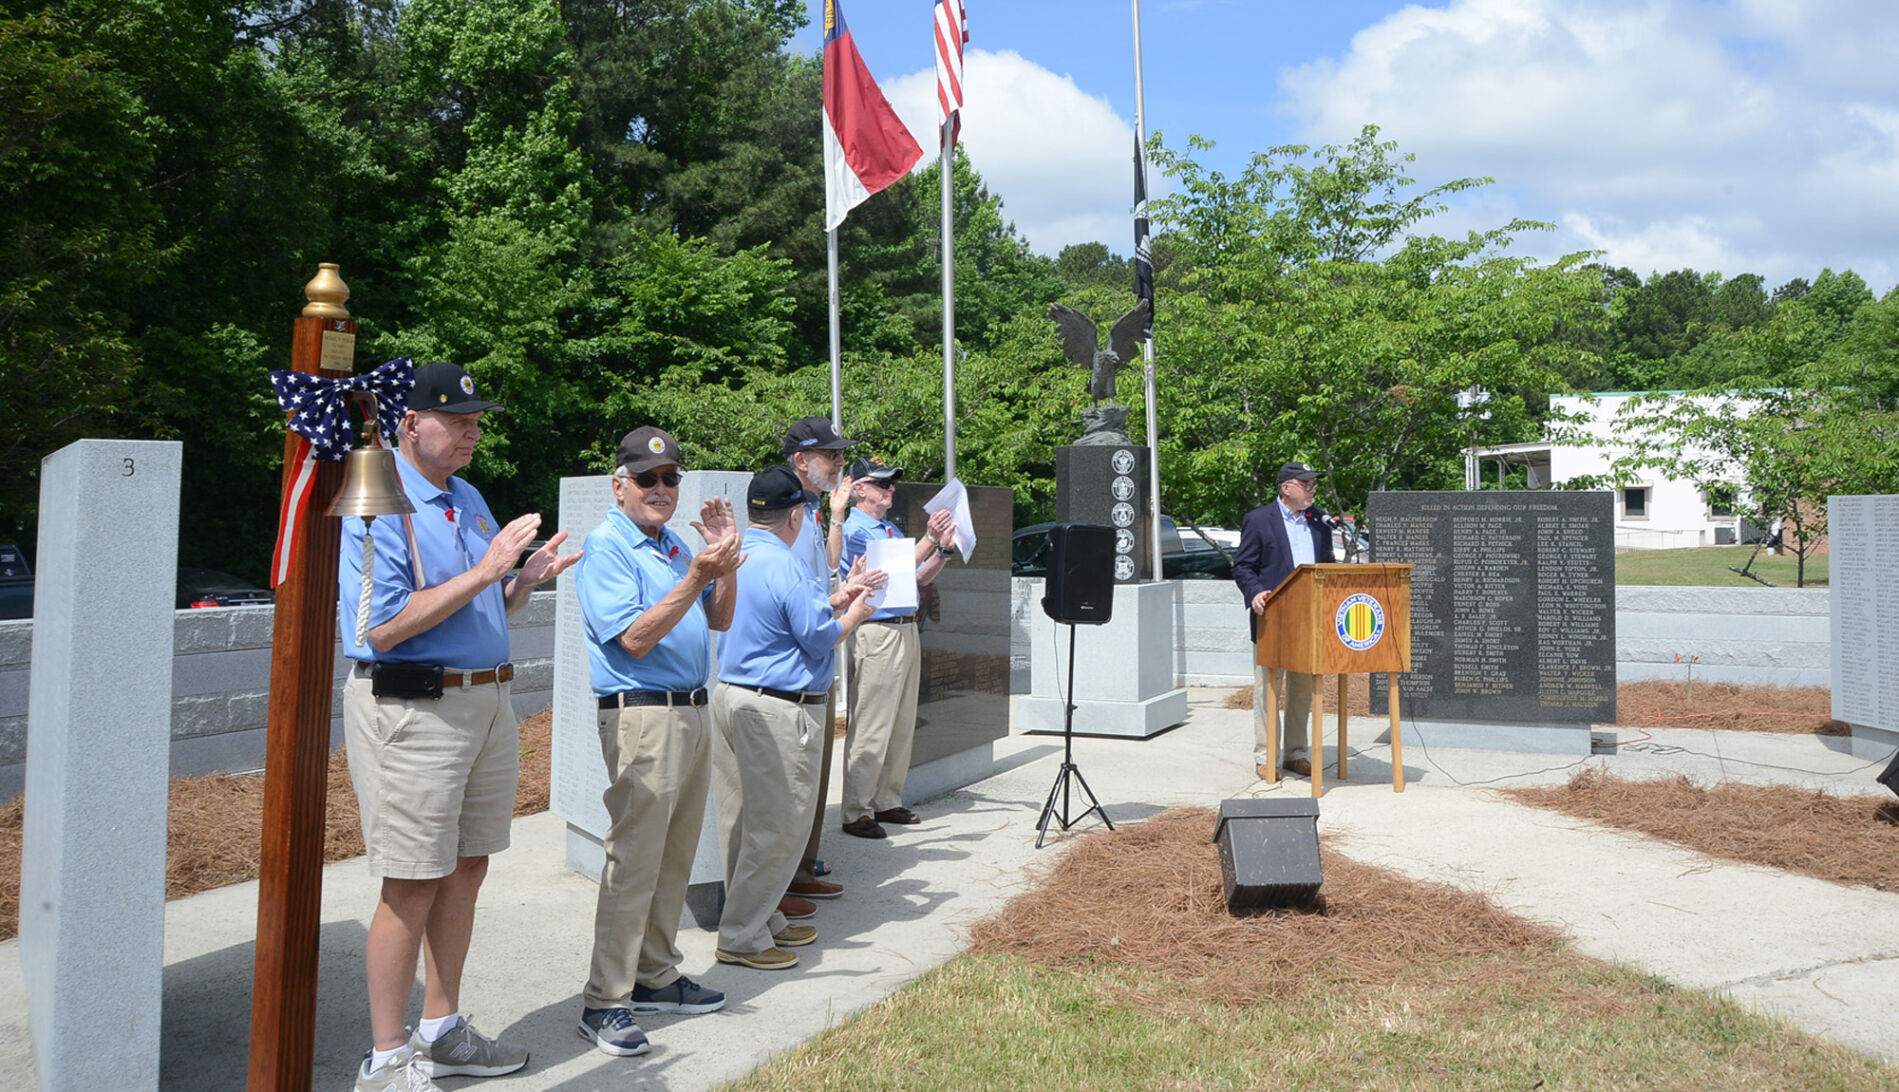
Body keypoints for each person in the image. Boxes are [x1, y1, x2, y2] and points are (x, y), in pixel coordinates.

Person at [338, 361, 580, 1092]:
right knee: (412, 881)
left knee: (468, 868)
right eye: (456, 419)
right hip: (414, 709)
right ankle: (384, 1060)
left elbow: (485, 606)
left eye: (477, 420)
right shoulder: (378, 498)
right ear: (409, 422)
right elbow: (381, 627)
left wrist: (523, 580)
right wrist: (487, 571)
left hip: (484, 702)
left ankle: (440, 1030)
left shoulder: (465, 494)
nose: (472, 431)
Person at [573, 426, 743, 1057]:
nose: (662, 489)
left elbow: (719, 618)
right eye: (647, 479)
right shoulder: (607, 545)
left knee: (672, 855)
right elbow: (635, 639)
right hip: (643, 715)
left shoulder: (673, 544)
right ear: (619, 486)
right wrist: (698, 574)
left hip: (691, 710)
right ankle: (604, 1000)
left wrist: (722, 559)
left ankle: (655, 974)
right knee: (635, 858)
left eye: (671, 477)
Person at [709, 466, 876, 970]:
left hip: (733, 695)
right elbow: (820, 636)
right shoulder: (787, 564)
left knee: (741, 825)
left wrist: (835, 599)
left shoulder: (739, 555)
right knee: (779, 828)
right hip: (777, 709)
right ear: (798, 515)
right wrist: (856, 612)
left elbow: (785, 620)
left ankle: (760, 920)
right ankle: (740, 935)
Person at [836, 455, 959, 839]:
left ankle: (886, 798)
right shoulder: (857, 529)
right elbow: (893, 569)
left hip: (904, 627)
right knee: (872, 721)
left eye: (891, 484)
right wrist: (928, 539)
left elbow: (916, 577)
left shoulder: (886, 528)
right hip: (877, 631)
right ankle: (856, 807)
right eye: (882, 484)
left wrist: (942, 551)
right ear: (860, 490)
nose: (891, 490)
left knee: (901, 720)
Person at [778, 416, 875, 899]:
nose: (840, 462)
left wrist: (837, 518)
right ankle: (784, 885)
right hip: (792, 668)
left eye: (840, 454)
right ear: (800, 460)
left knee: (811, 787)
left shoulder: (810, 508)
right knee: (790, 793)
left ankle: (801, 871)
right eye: (830, 455)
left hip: (815, 660)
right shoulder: (784, 512)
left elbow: (823, 574)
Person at [1232, 460, 1337, 780]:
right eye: (1307, 485)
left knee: (1302, 690)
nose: (1312, 490)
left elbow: (1328, 566)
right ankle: (1266, 756)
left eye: (1314, 485)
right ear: (1286, 488)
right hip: (1273, 620)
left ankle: (1294, 754)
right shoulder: (1259, 520)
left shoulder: (1319, 523)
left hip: (1310, 621)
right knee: (1268, 688)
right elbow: (1243, 567)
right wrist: (1256, 593)